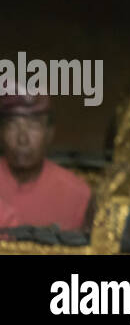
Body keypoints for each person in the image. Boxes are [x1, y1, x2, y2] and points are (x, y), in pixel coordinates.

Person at [0, 90, 92, 232]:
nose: (22, 139)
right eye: (13, 125)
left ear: (49, 133)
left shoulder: (77, 195)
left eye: (33, 126)